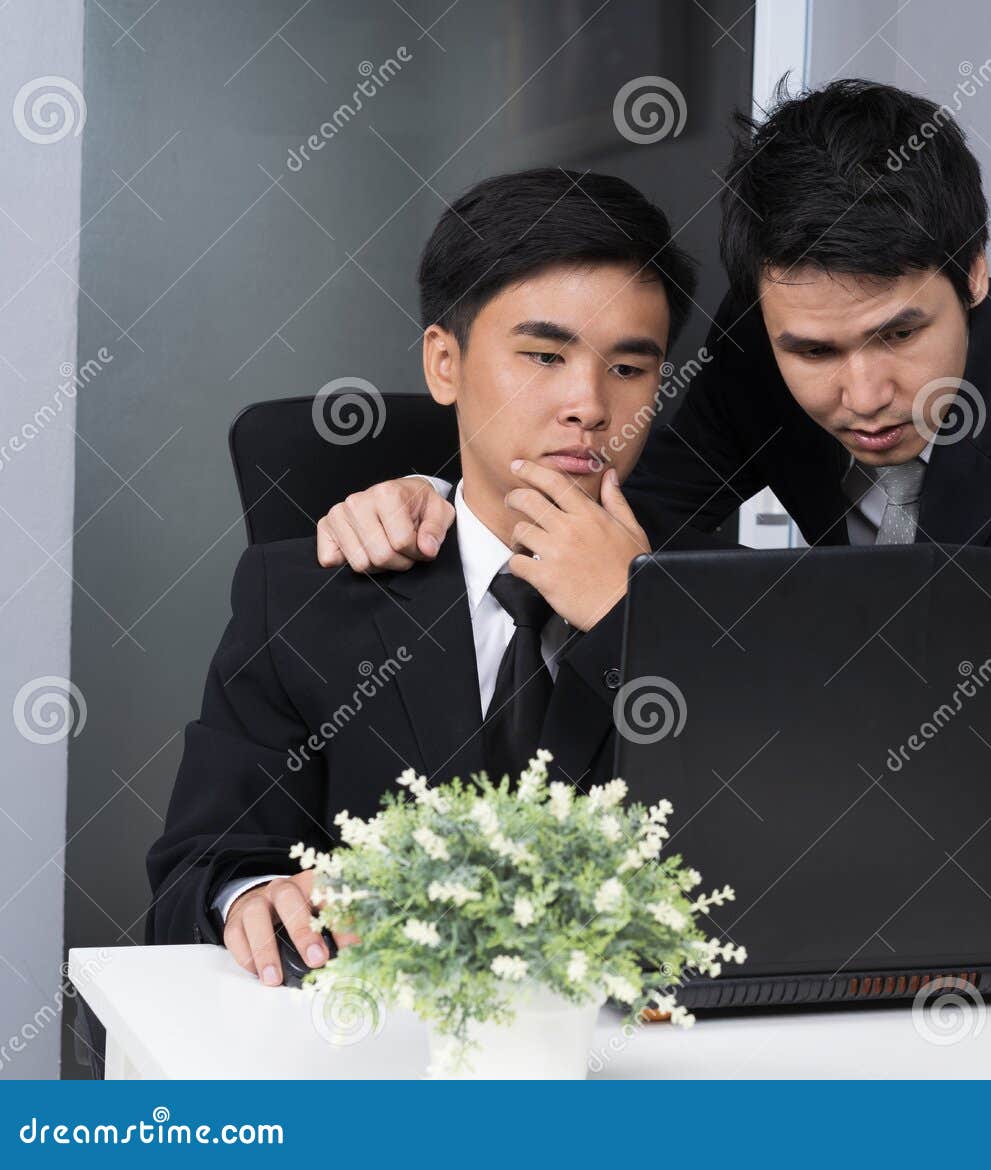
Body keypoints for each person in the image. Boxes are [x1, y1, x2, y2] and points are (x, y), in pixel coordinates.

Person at [313, 79, 991, 904]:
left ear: (975, 273)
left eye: (901, 334)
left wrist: (653, 607)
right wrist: (432, 494)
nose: (865, 395)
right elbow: (618, 501)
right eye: (814, 352)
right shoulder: (755, 352)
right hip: (850, 855)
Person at [146, 168, 701, 984]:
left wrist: (631, 620)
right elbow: (195, 872)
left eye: (629, 369)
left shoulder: (720, 607)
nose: (588, 403)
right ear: (445, 364)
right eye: (544, 355)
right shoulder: (301, 596)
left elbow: (786, 868)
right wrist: (253, 895)